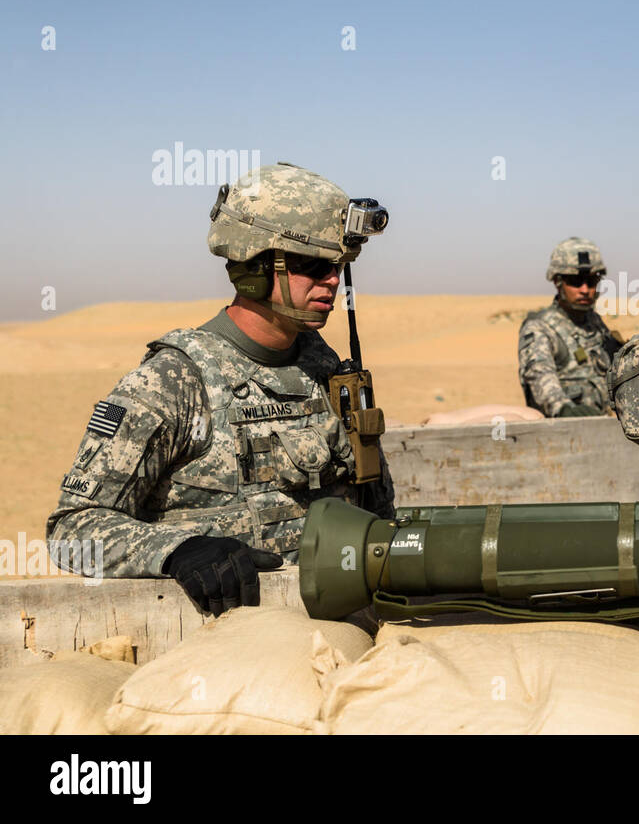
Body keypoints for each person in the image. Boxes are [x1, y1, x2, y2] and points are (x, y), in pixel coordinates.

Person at [47, 163, 395, 614]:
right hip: (223, 648)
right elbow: (73, 533)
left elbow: (374, 503)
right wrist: (177, 550)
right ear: (255, 268)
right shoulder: (174, 380)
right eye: (312, 265)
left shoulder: (324, 366)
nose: (331, 280)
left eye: (339, 266)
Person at [517, 237, 623, 417]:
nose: (584, 289)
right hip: (564, 433)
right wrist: (565, 409)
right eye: (575, 281)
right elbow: (540, 377)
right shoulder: (541, 328)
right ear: (558, 282)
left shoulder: (595, 324)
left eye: (591, 281)